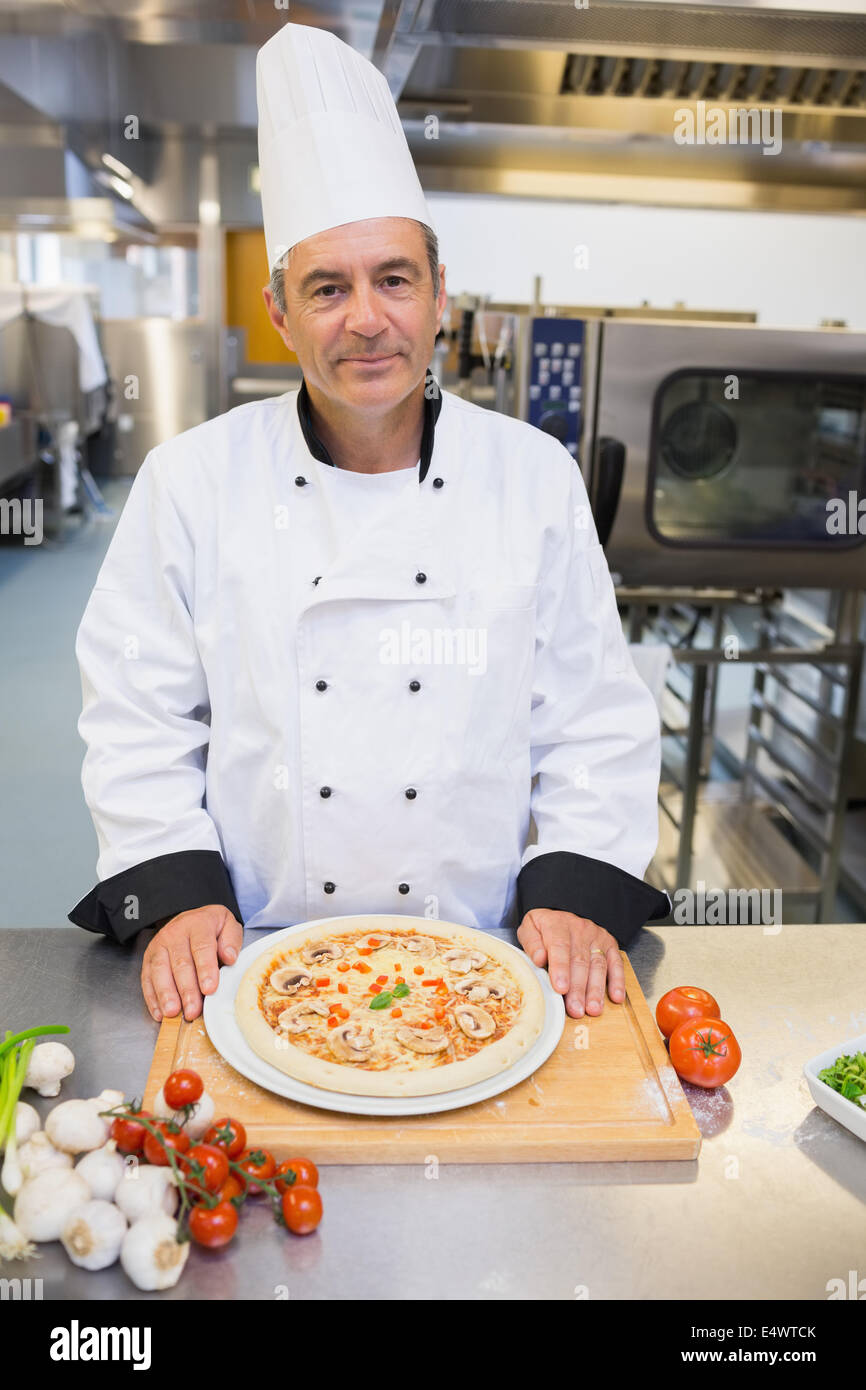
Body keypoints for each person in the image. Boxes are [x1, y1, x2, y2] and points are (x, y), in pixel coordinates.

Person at [69, 22, 668, 1025]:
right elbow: (135, 712)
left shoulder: (530, 476)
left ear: (438, 298)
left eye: (393, 278)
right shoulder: (191, 481)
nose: (366, 317)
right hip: (255, 957)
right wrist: (168, 888)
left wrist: (572, 885)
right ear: (278, 312)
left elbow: (592, 715)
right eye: (326, 288)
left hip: (484, 961)